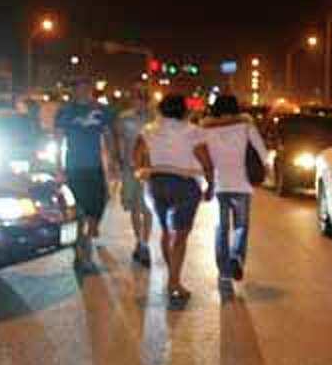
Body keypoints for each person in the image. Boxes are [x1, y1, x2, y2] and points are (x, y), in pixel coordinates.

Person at [133, 94, 215, 306]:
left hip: (156, 183)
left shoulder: (149, 129)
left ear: (160, 109)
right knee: (180, 236)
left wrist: (142, 171)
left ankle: (173, 277)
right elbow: (206, 162)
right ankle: (174, 282)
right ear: (184, 110)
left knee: (165, 232)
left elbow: (137, 155)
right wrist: (211, 186)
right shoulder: (193, 131)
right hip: (184, 185)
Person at [198, 94, 268, 293]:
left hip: (219, 184)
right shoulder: (246, 126)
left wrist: (205, 183)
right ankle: (236, 257)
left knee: (221, 228)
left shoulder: (205, 129)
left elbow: (201, 157)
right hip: (242, 184)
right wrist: (266, 167)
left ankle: (224, 271)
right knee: (241, 226)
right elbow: (262, 152)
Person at [55, 80, 119, 271]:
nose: (83, 92)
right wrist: (58, 167)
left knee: (99, 204)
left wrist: (113, 160)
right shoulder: (66, 111)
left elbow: (108, 137)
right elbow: (57, 140)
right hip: (74, 167)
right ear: (74, 91)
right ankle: (82, 253)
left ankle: (90, 232)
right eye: (78, 89)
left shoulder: (102, 111)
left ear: (91, 91)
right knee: (78, 212)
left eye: (86, 88)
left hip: (95, 167)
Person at [113, 87, 156, 266]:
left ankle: (145, 244)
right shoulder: (123, 118)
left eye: (141, 99)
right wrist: (118, 162)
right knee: (134, 207)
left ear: (147, 100)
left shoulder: (155, 119)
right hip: (129, 168)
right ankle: (139, 241)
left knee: (147, 208)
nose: (137, 102)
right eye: (135, 98)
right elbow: (117, 140)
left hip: (149, 169)